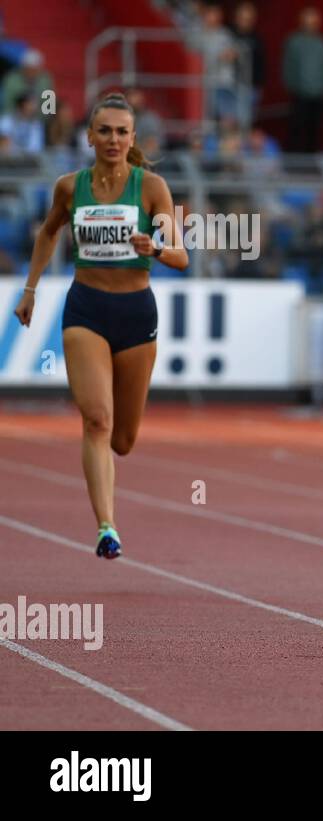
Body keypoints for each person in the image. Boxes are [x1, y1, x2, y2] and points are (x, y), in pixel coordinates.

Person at [12, 92, 189, 559]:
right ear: (89, 136)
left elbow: (181, 255)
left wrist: (154, 249)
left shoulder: (151, 188)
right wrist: (30, 289)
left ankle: (110, 479)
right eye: (104, 130)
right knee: (96, 419)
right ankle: (106, 526)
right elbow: (49, 231)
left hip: (136, 315)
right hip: (85, 310)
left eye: (121, 131)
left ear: (132, 139)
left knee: (123, 440)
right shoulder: (70, 188)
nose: (112, 139)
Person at [282, 7, 323, 153]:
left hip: (319, 94)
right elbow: (288, 66)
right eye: (308, 20)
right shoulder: (294, 41)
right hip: (300, 93)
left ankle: (310, 161)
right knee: (296, 128)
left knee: (314, 130)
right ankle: (293, 160)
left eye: (314, 20)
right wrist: (292, 87)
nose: (311, 23)